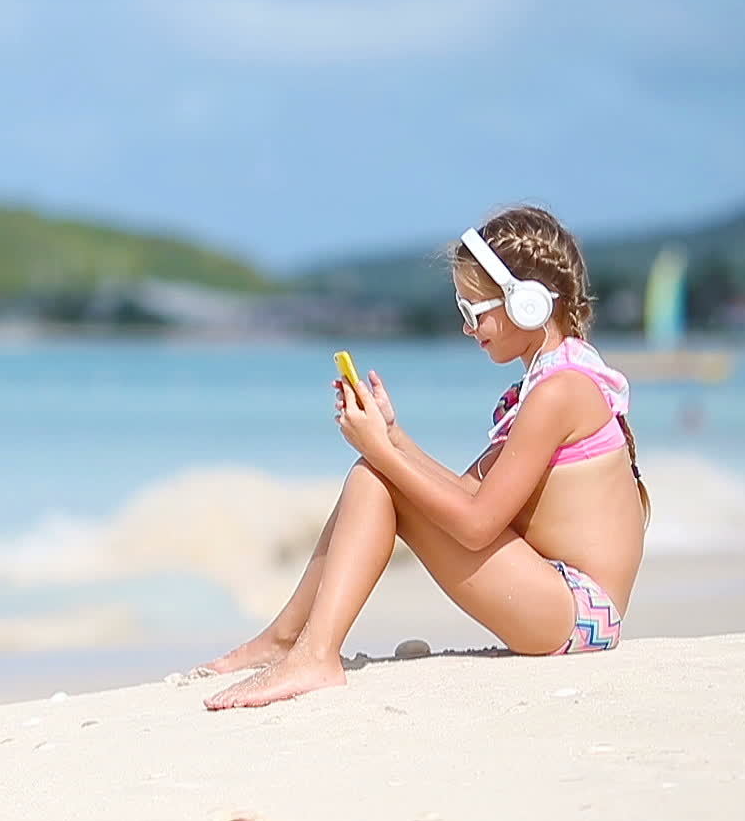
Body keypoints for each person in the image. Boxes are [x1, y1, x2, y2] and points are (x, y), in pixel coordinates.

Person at [199, 206, 651, 709]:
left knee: (375, 475)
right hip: (562, 599)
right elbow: (464, 493)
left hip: (576, 612)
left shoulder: (560, 392)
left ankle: (312, 652)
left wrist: (381, 453)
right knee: (376, 474)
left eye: (474, 311)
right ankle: (290, 640)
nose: (467, 328)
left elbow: (477, 524)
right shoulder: (554, 380)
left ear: (526, 305)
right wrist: (394, 439)